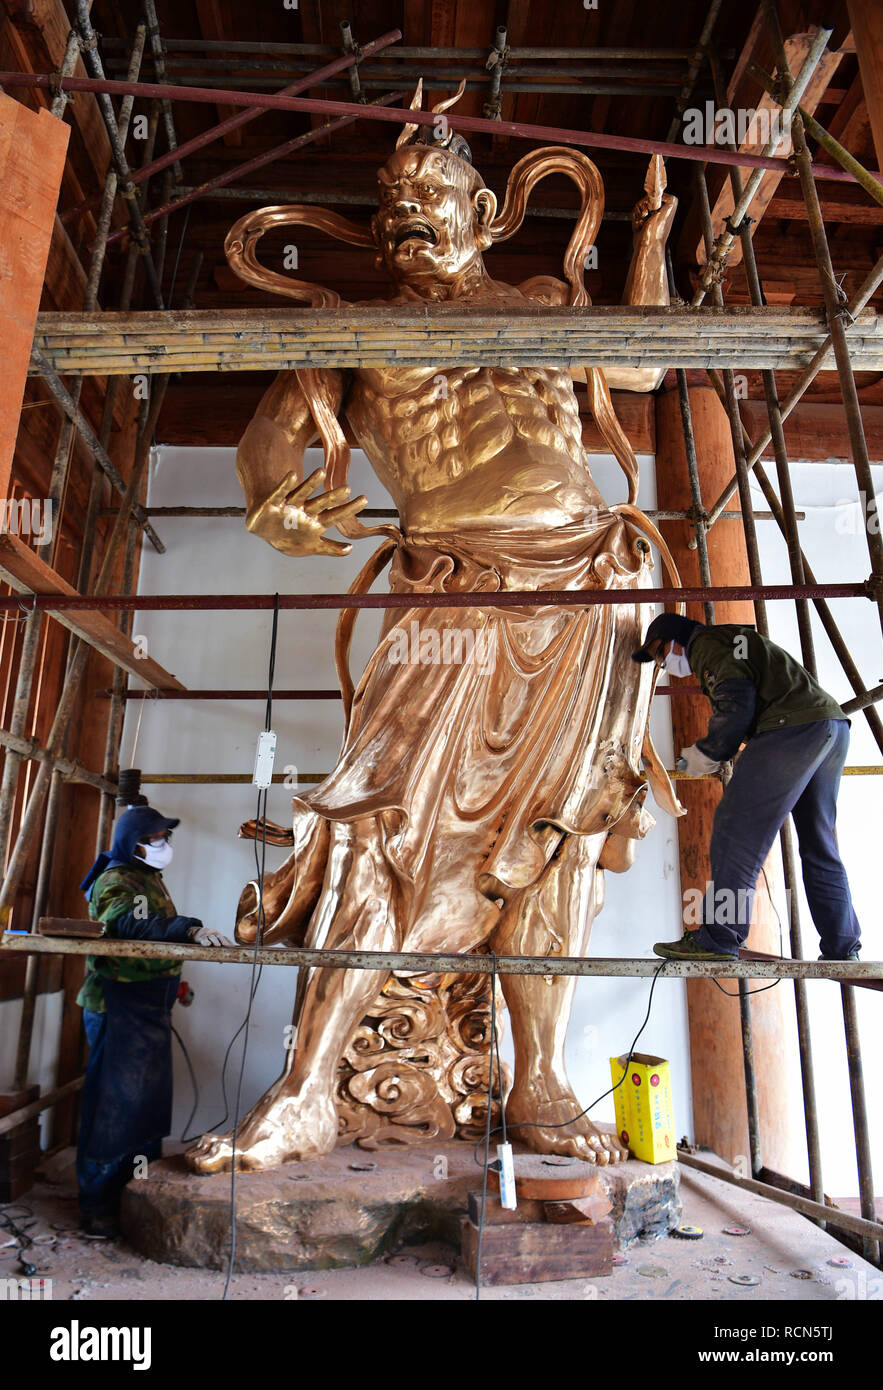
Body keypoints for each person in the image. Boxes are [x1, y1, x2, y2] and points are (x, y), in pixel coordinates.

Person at [632, 613, 863, 963]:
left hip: (791, 729)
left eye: (661, 654)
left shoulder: (705, 645)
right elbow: (749, 699)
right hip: (828, 727)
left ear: (674, 641)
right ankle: (843, 947)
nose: (664, 664)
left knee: (736, 829)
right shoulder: (733, 640)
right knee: (819, 844)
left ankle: (720, 935)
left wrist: (707, 752)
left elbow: (736, 704)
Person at [76, 804, 231, 1235]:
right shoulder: (117, 879)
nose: (164, 846)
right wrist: (189, 930)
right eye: (156, 839)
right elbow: (129, 924)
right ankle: (98, 1206)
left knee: (144, 1107)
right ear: (133, 842)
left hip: (149, 1004)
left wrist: (173, 982)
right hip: (118, 1006)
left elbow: (149, 937)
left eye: (166, 838)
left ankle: (133, 1194)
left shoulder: (147, 878)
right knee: (113, 1108)